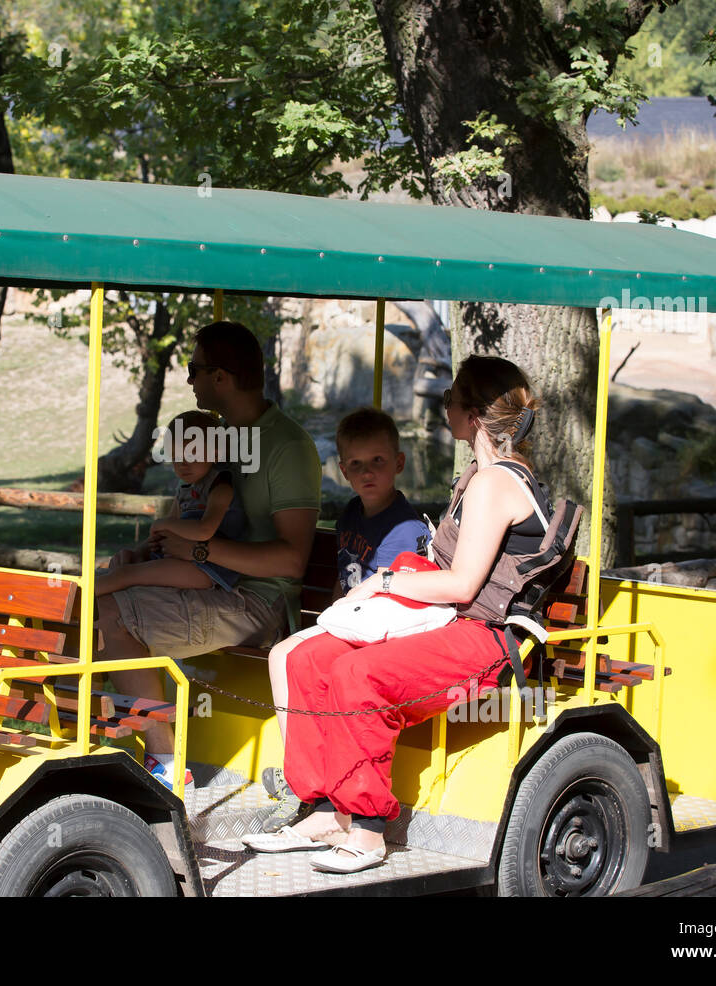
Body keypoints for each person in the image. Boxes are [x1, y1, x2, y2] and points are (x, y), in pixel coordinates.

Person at [241, 355, 549, 873]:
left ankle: (365, 829)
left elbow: (464, 584)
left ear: (471, 415)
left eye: (451, 398)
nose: (444, 405)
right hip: (445, 617)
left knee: (358, 674)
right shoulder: (478, 473)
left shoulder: (496, 483)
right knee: (305, 660)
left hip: (485, 637)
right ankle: (322, 809)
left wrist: (384, 582)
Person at [96, 321, 322, 791]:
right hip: (210, 583)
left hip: (257, 603)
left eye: (194, 369)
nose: (189, 380)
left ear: (221, 377)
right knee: (95, 604)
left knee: (111, 611)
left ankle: (165, 766)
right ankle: (107, 748)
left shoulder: (286, 447)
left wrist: (200, 549)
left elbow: (292, 563)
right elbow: (189, 519)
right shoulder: (213, 439)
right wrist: (142, 551)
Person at [259, 407, 430, 831]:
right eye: (355, 464)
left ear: (399, 464)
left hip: (383, 628)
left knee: (287, 656)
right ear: (342, 470)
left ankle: (305, 781)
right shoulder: (352, 514)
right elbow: (345, 577)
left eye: (377, 461)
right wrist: (324, 621)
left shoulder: (403, 528)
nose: (366, 472)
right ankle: (303, 773)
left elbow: (388, 600)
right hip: (351, 619)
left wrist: (328, 625)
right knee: (284, 656)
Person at [97, 410, 248, 597]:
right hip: (182, 561)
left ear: (216, 453)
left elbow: (204, 530)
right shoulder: (185, 489)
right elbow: (164, 533)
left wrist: (162, 524)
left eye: (192, 454)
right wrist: (139, 552)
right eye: (176, 457)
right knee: (123, 564)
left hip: (209, 569)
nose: (183, 464)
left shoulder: (220, 487)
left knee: (126, 575)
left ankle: (76, 600)